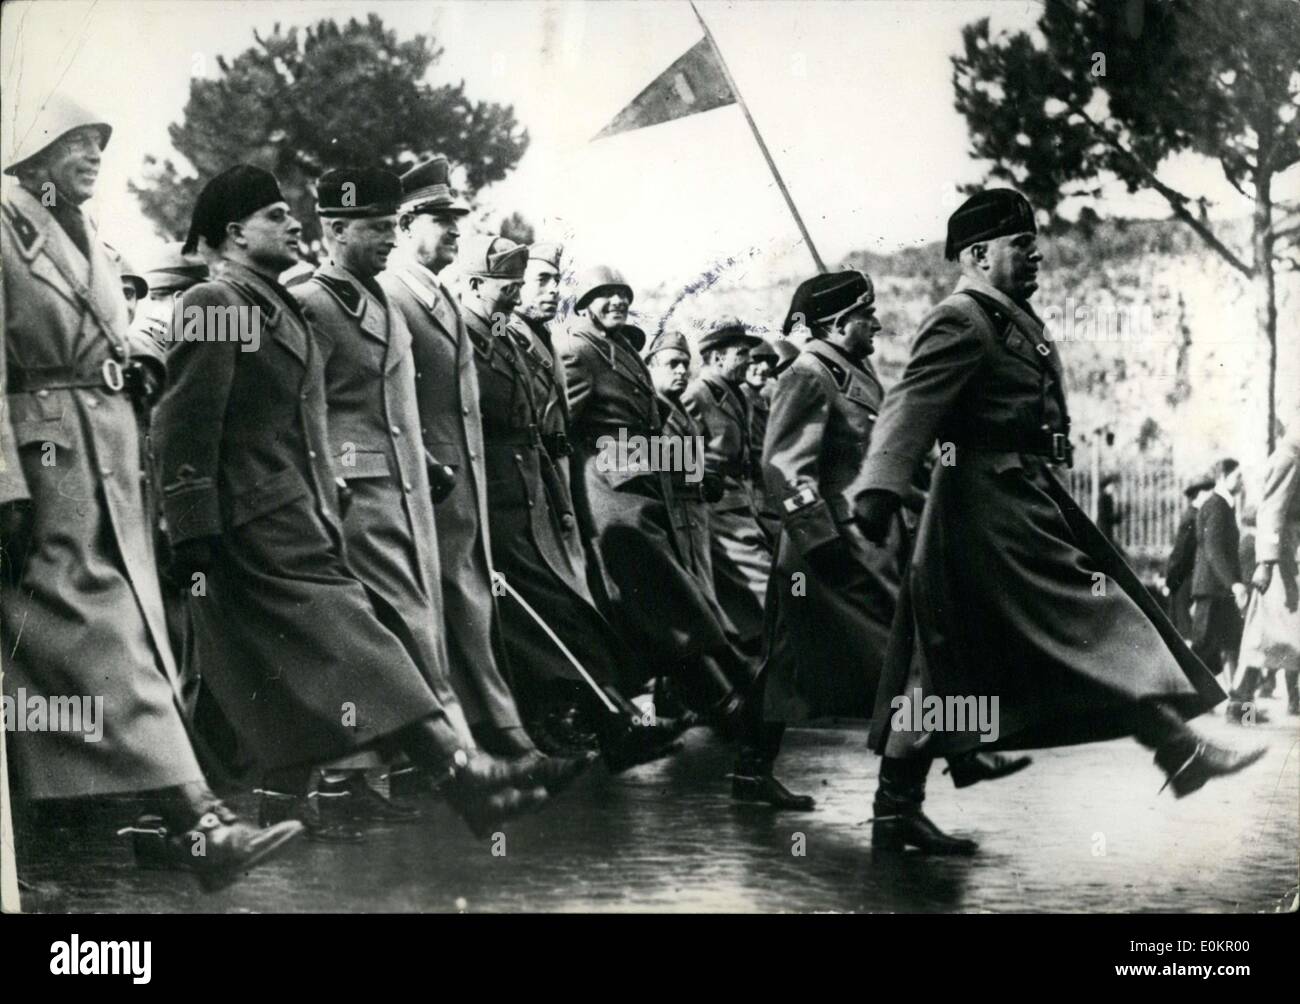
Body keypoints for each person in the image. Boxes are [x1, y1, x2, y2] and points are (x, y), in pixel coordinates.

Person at [854, 189, 1262, 854]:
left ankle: (895, 812)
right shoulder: (962, 319)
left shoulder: (1008, 317)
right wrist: (877, 487)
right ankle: (1177, 749)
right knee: (1100, 620)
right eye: (1022, 243)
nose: (1037, 253)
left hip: (1019, 500)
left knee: (936, 672)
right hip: (989, 512)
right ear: (981, 255)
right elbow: (909, 407)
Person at [155, 164, 551, 840]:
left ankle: (266, 813)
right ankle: (465, 777)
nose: (291, 224)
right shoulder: (215, 305)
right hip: (256, 524)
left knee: (295, 673)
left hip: (303, 515)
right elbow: (185, 422)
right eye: (275, 216)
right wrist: (192, 526)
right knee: (362, 650)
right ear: (235, 232)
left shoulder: (272, 304)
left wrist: (328, 490)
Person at [0, 98, 302, 890]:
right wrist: (2, 482)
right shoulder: (4, 223)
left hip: (100, 458)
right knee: (107, 644)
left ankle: (164, 829)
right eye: (77, 142)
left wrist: (139, 357)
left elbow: (110, 322)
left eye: (101, 141)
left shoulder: (80, 232)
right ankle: (195, 819)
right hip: (44, 464)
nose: (94, 154)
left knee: (98, 650)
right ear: (33, 150)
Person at [760, 269, 1027, 812]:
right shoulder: (810, 374)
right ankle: (916, 792)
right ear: (837, 324)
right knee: (908, 665)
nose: (876, 323)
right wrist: (819, 539)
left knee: (787, 668)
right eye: (866, 315)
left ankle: (749, 771)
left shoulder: (855, 374)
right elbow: (783, 465)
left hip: (865, 543)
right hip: (833, 550)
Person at [457, 236, 678, 770]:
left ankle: (595, 719)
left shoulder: (528, 340)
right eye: (534, 283)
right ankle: (606, 718)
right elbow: (574, 434)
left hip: (546, 494)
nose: (547, 291)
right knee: (549, 613)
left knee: (569, 610)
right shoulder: (548, 345)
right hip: (515, 498)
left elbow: (550, 431)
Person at [377, 158, 539, 765]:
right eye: (440, 220)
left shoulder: (437, 295)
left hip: (458, 483)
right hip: (425, 483)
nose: (453, 231)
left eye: (456, 220)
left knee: (466, 607)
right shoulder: (393, 294)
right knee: (437, 614)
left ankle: (489, 739)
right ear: (404, 224)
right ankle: (483, 745)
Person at [560, 266, 756, 729]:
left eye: (623, 296)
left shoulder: (619, 350)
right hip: (607, 490)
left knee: (666, 597)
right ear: (586, 301)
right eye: (605, 295)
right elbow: (560, 425)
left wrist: (692, 466)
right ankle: (719, 691)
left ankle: (720, 689)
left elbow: (648, 430)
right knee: (655, 598)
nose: (616, 303)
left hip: (639, 485)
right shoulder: (576, 350)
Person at [683, 320, 774, 657]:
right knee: (765, 589)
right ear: (717, 358)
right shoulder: (698, 394)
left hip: (742, 504)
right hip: (719, 509)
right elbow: (681, 446)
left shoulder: (735, 394)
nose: (749, 361)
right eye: (742, 354)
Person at [1237, 431, 1300, 717]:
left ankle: (1244, 701)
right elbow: (1271, 509)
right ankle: (1241, 702)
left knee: (1274, 636)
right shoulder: (1289, 457)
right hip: (1282, 561)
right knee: (1266, 636)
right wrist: (1266, 563)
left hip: (1287, 556)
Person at [1191, 458, 1250, 711]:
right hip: (1213, 589)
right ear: (1223, 476)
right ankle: (1186, 699)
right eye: (1237, 476)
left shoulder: (1222, 505)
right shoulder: (1216, 506)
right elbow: (1213, 549)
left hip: (1218, 589)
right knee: (1204, 647)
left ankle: (1236, 703)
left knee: (1231, 643)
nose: (1241, 481)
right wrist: (1234, 584)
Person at [1165, 475, 1214, 641]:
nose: (1211, 494)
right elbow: (1181, 553)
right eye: (1208, 490)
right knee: (1185, 630)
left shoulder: (1199, 515)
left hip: (1192, 578)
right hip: (1184, 578)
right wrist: (1171, 579)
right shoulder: (1191, 518)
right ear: (1199, 493)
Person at [744, 338, 781, 540]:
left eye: (769, 362)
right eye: (756, 361)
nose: (764, 368)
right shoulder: (741, 398)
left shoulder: (763, 401)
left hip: (768, 498)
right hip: (755, 502)